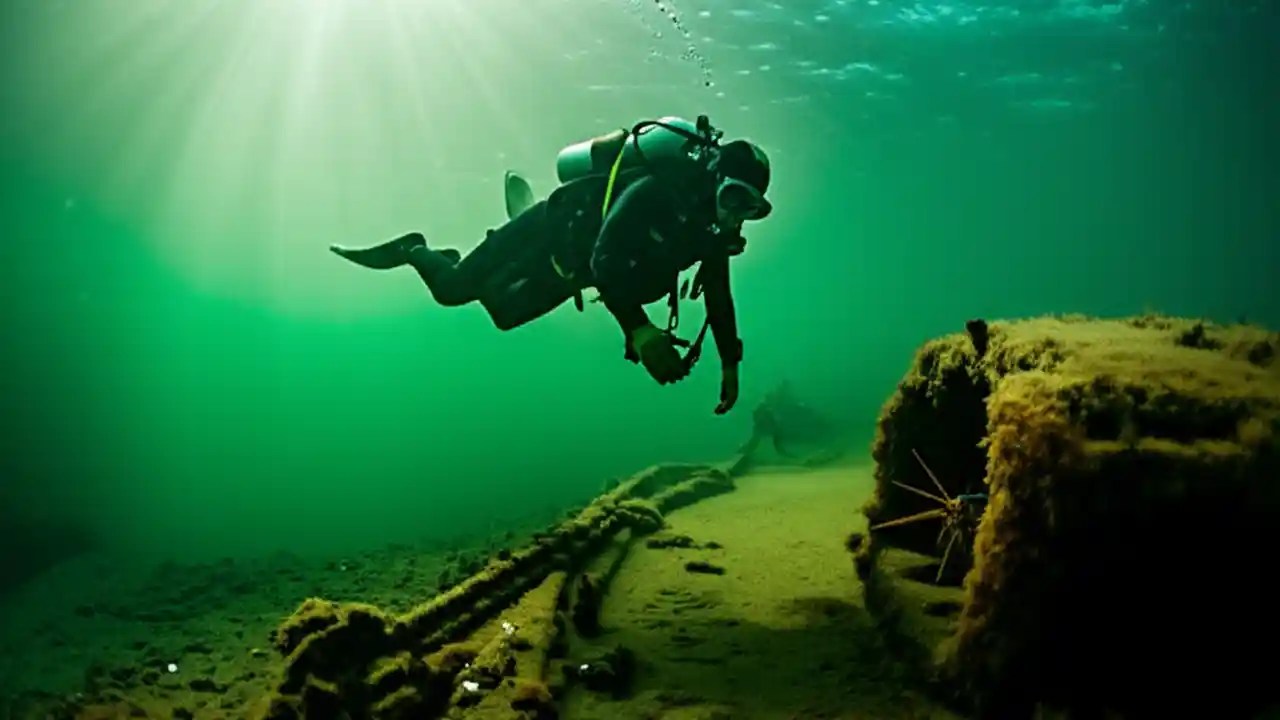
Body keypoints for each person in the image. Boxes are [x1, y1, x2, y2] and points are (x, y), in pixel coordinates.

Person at [329, 116, 773, 415]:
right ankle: (417, 249)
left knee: (502, 315)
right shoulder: (657, 190)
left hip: (571, 270)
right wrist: (638, 328)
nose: (736, 216)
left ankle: (506, 229)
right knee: (452, 291)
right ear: (715, 179)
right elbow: (607, 256)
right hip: (553, 227)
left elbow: (718, 293)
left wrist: (730, 364)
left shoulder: (709, 232)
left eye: (752, 209)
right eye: (734, 197)